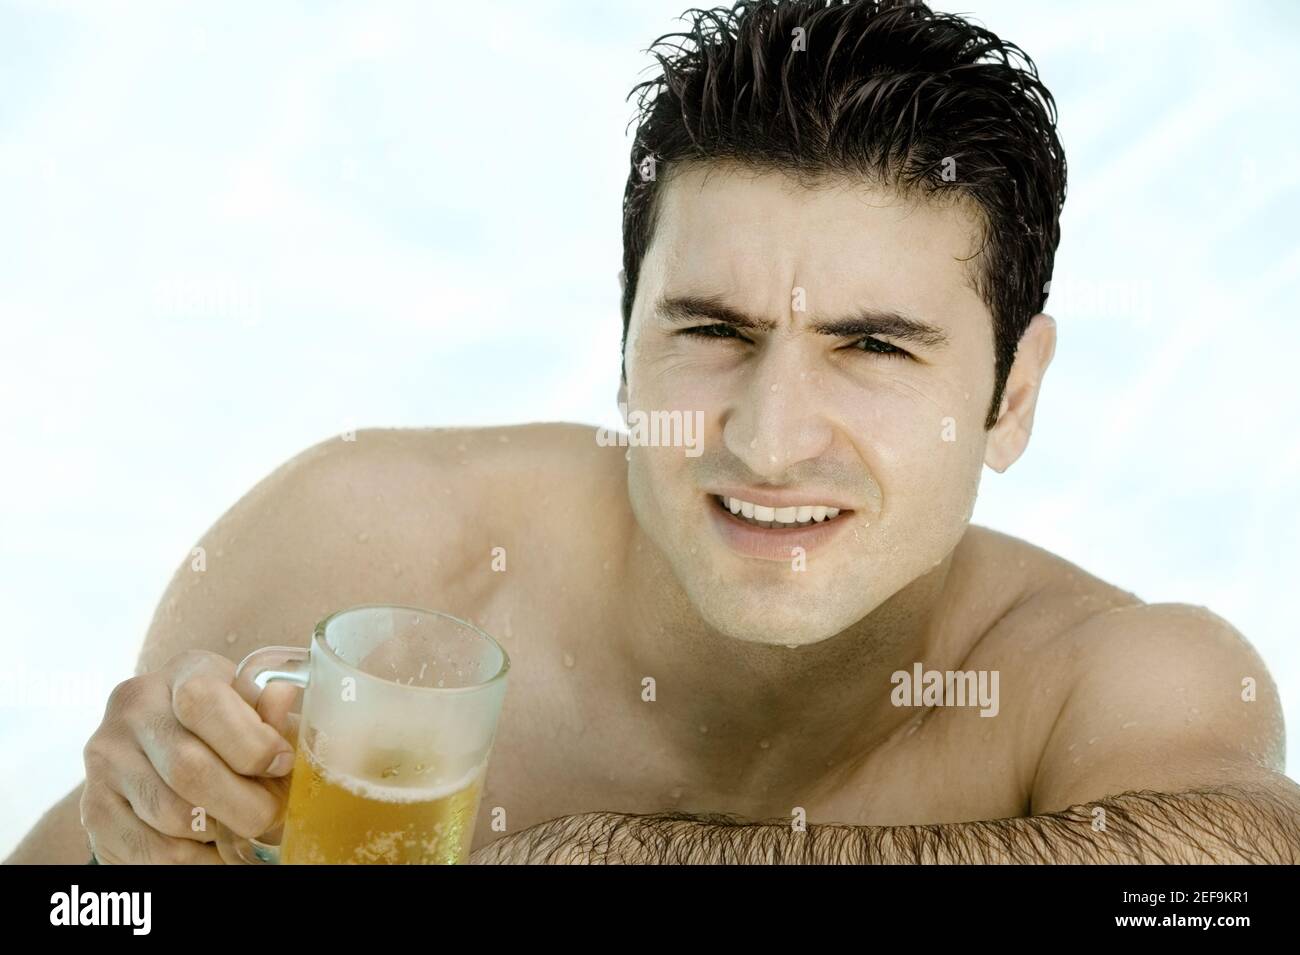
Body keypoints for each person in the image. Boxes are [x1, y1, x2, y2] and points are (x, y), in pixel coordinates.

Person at [9, 0, 1297, 864]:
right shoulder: (371, 548)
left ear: (1013, 397)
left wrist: (578, 852)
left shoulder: (1105, 681)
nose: (770, 438)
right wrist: (141, 867)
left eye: (874, 347)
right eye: (714, 331)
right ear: (622, 346)